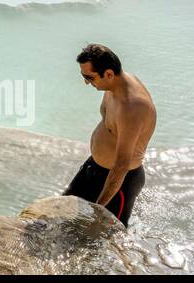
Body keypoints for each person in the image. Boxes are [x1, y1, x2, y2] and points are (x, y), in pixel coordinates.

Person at [62, 43, 157, 227]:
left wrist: (99, 208)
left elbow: (121, 165)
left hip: (118, 184)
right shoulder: (112, 87)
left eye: (89, 77)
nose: (86, 82)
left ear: (109, 74)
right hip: (93, 169)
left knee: (101, 238)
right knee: (62, 216)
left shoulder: (133, 107)